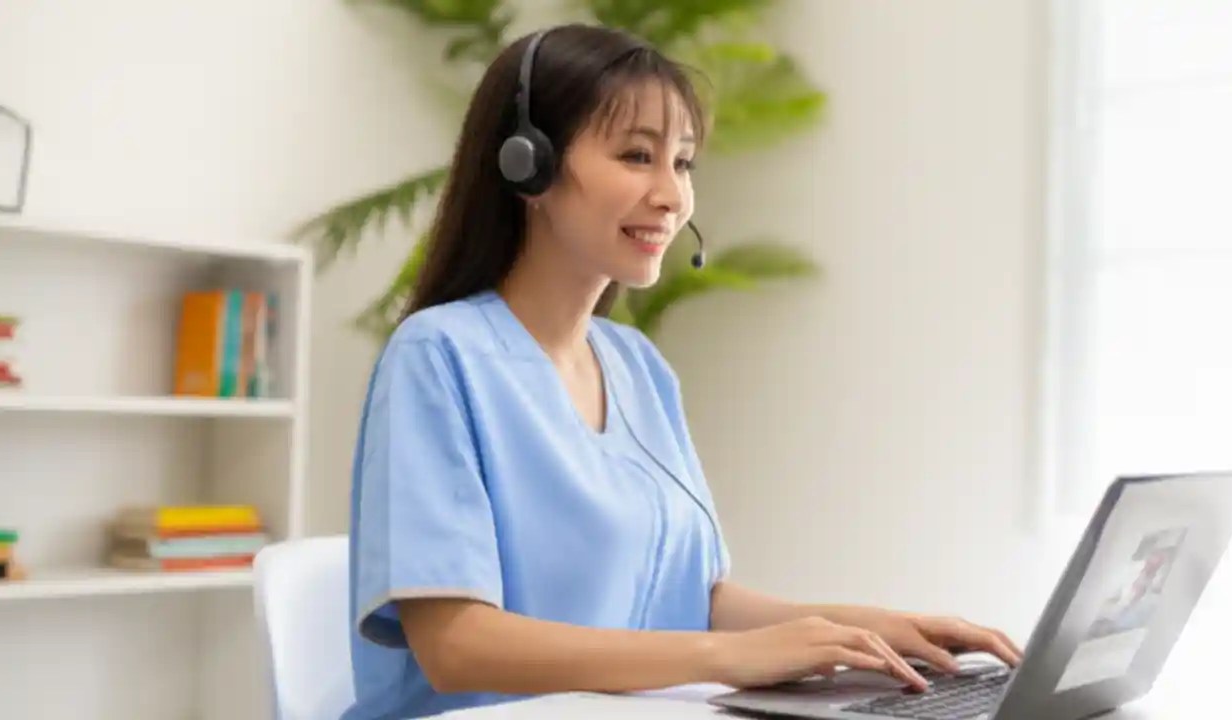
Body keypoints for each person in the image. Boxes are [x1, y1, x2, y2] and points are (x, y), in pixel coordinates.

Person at [342, 22, 1024, 720]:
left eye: (684, 163)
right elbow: (458, 647)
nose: (672, 195)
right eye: (638, 156)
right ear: (529, 167)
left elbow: (696, 597)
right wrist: (725, 658)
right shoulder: (438, 357)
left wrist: (863, 630)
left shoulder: (638, 367)